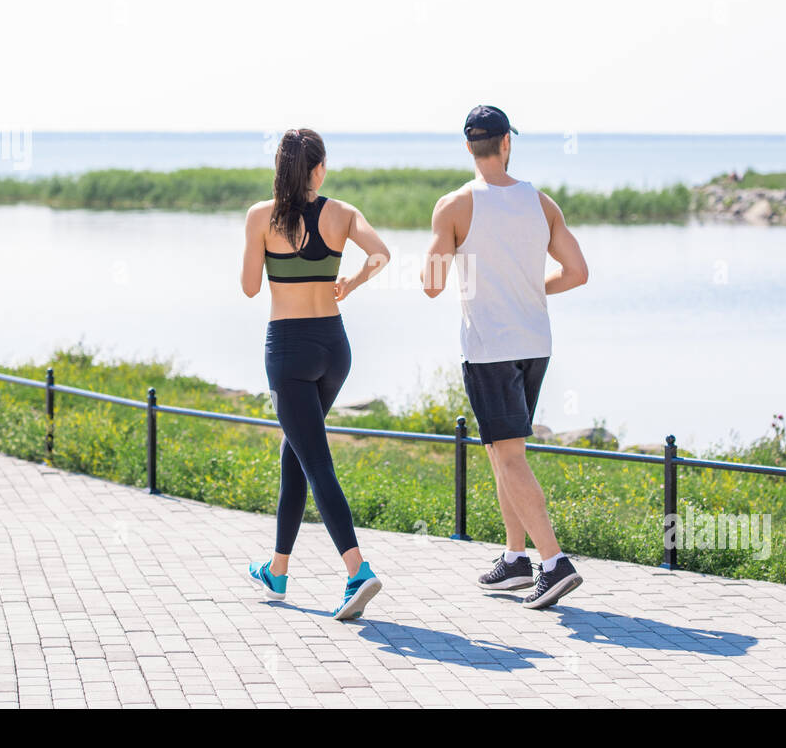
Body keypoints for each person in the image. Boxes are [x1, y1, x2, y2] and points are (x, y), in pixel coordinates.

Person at [421, 106, 590, 610]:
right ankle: (516, 559)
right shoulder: (541, 204)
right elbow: (577, 271)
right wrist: (527, 289)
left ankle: (554, 562)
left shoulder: (453, 205)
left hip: (490, 349)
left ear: (469, 147)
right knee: (502, 451)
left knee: (508, 454)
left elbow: (431, 285)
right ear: (506, 144)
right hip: (534, 344)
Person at [240, 128, 392, 620]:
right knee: (298, 450)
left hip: (288, 350)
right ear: (320, 168)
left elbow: (247, 288)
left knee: (316, 459)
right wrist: (351, 279)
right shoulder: (343, 213)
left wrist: (267, 252)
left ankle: (357, 571)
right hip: (334, 347)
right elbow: (381, 254)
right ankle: (277, 568)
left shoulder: (260, 217)